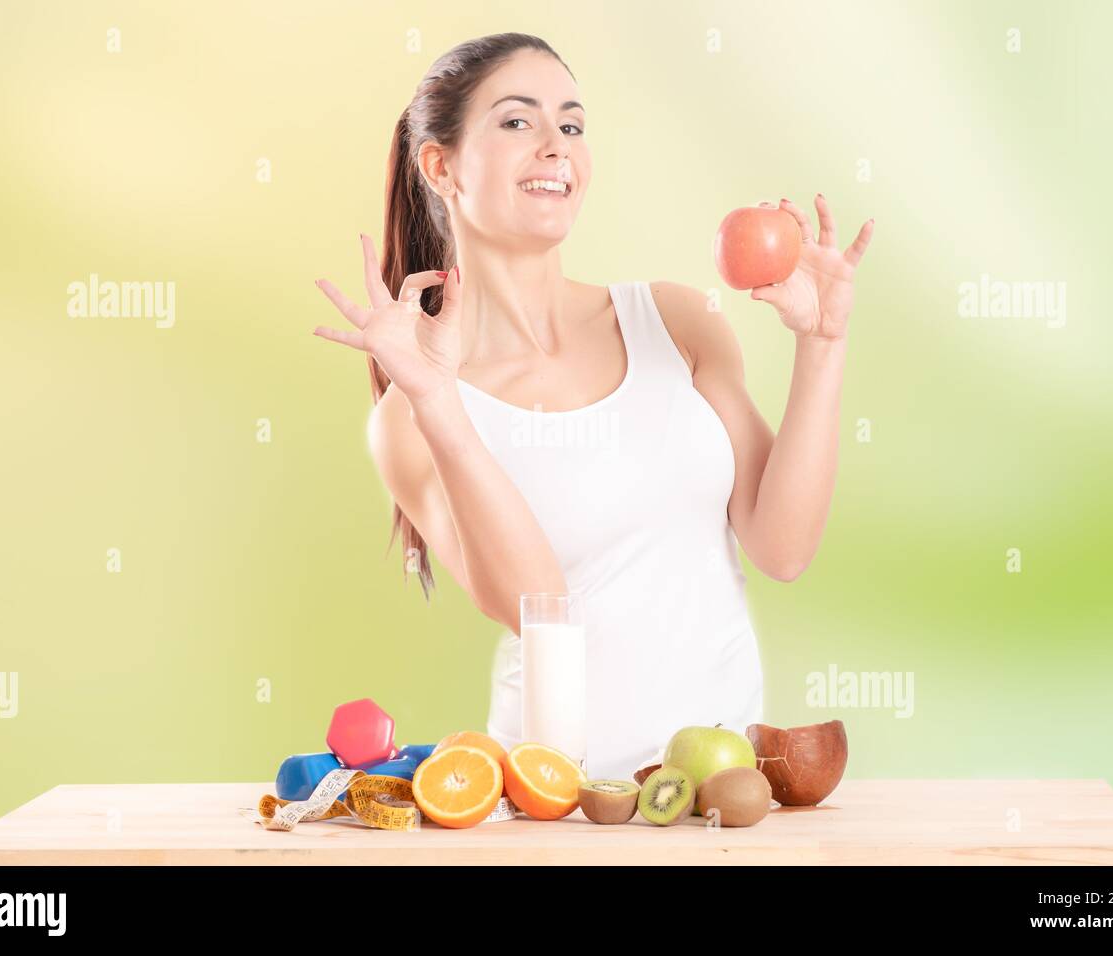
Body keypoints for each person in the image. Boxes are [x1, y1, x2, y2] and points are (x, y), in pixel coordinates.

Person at [312, 33, 874, 780]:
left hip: (721, 790)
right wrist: (438, 400)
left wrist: (823, 343)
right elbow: (535, 606)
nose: (555, 147)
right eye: (517, 122)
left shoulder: (674, 322)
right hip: (553, 800)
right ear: (440, 166)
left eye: (571, 126)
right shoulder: (411, 413)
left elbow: (783, 548)